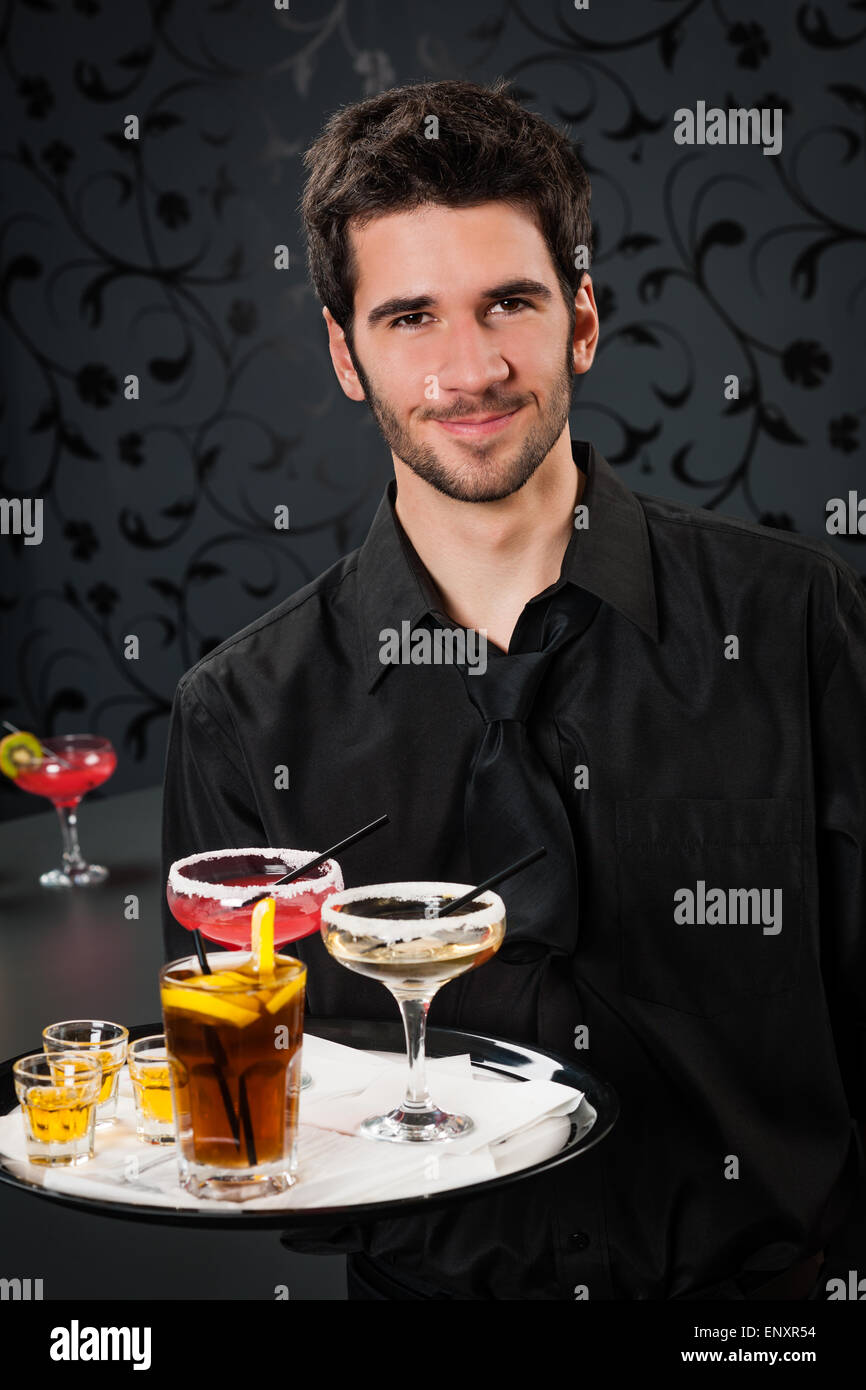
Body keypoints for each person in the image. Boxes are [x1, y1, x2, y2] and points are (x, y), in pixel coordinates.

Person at [161, 77, 866, 1300]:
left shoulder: (799, 619)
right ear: (343, 353)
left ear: (580, 321)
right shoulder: (238, 713)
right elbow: (241, 1114)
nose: (468, 366)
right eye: (409, 318)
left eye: (509, 303)